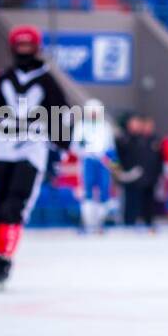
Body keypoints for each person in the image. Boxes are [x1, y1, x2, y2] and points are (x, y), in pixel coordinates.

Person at [0, 25, 70, 288]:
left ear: (36, 48)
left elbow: (62, 116)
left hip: (32, 148)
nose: (24, 51)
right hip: (2, 147)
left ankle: (4, 260)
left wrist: (58, 151)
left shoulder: (47, 80)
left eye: (29, 46)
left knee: (14, 205)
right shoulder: (4, 78)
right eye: (20, 46)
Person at [74, 98, 118, 234]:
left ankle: (101, 221)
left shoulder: (105, 127)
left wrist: (111, 161)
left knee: (104, 190)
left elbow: (111, 147)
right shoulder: (80, 126)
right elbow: (75, 145)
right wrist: (85, 151)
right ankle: (88, 222)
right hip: (88, 161)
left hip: (102, 162)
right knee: (87, 191)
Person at [115, 113, 159, 227]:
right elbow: (118, 159)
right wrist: (121, 173)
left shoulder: (148, 140)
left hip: (147, 178)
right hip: (130, 177)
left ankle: (147, 224)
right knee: (130, 204)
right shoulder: (124, 139)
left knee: (147, 204)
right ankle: (128, 224)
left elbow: (154, 160)